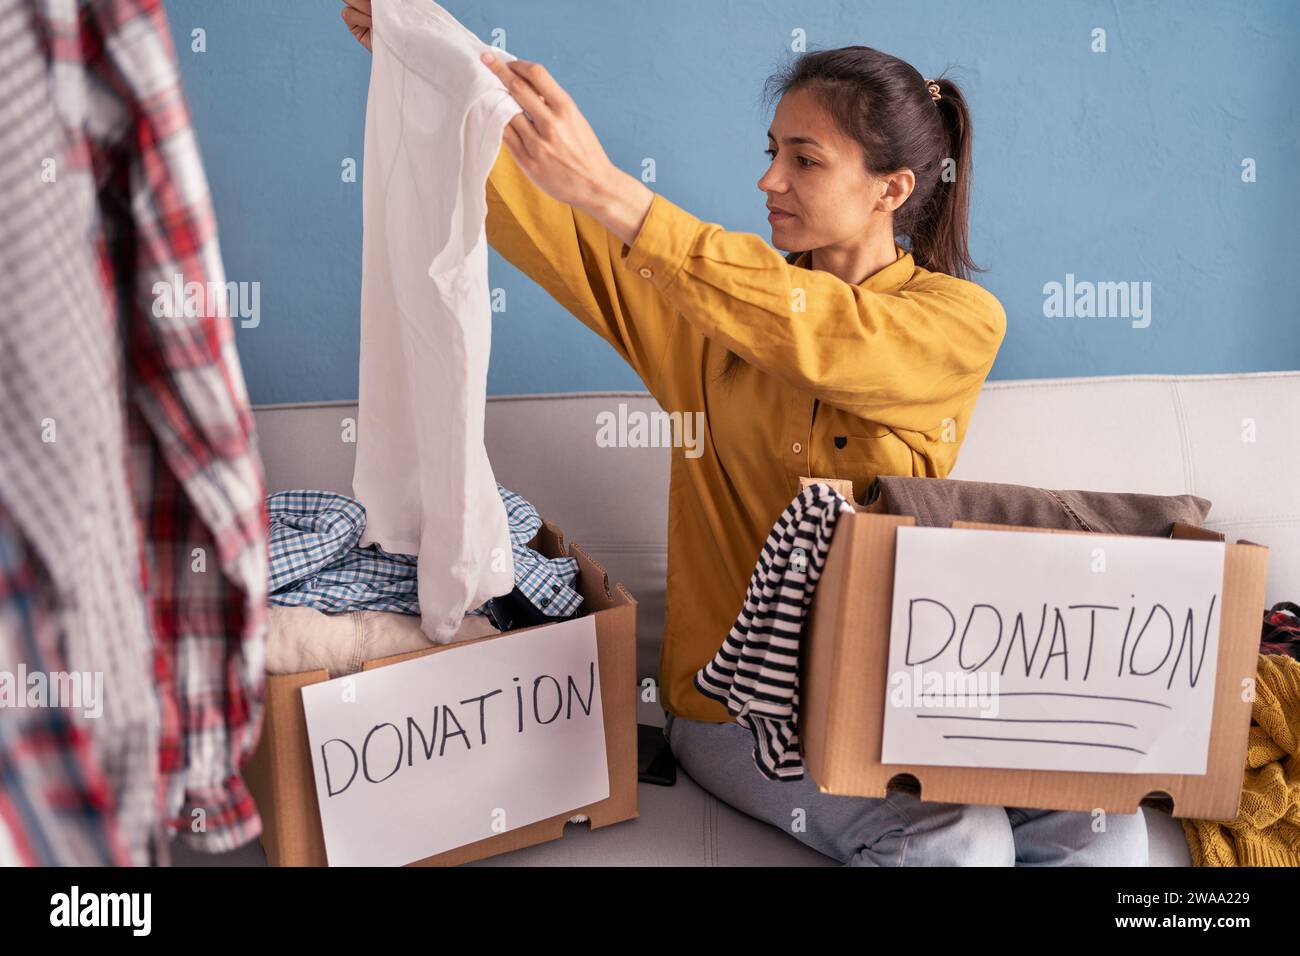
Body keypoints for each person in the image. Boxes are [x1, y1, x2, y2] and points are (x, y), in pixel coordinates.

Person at [338, 0, 1148, 866]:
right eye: (771, 153)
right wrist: (435, 63)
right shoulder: (703, 313)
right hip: (734, 714)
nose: (771, 180)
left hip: (897, 699)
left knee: (1104, 819)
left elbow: (828, 341)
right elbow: (562, 226)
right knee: (959, 836)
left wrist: (618, 190)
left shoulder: (956, 322)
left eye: (804, 159)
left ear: (892, 188)